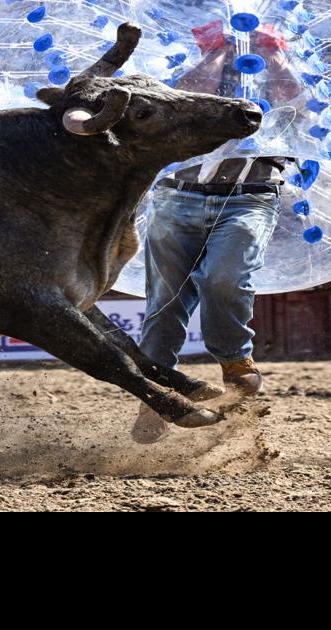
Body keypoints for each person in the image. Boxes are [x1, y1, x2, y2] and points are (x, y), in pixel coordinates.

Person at [131, 19, 300, 443]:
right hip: (179, 194)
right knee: (164, 303)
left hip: (252, 193)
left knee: (226, 277)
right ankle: (155, 394)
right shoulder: (181, 65)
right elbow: (189, 94)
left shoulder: (280, 64)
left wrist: (272, 50)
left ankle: (234, 361)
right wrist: (218, 49)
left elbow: (293, 97)